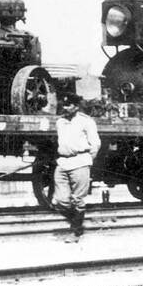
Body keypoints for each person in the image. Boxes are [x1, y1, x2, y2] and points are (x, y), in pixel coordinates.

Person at [52, 93, 101, 242]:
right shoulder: (60, 122)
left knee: (77, 200)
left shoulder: (86, 122)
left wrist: (86, 160)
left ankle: (76, 231)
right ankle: (76, 223)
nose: (65, 108)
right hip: (62, 163)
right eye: (64, 105)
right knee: (59, 201)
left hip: (79, 162)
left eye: (68, 105)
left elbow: (95, 144)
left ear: (76, 107)